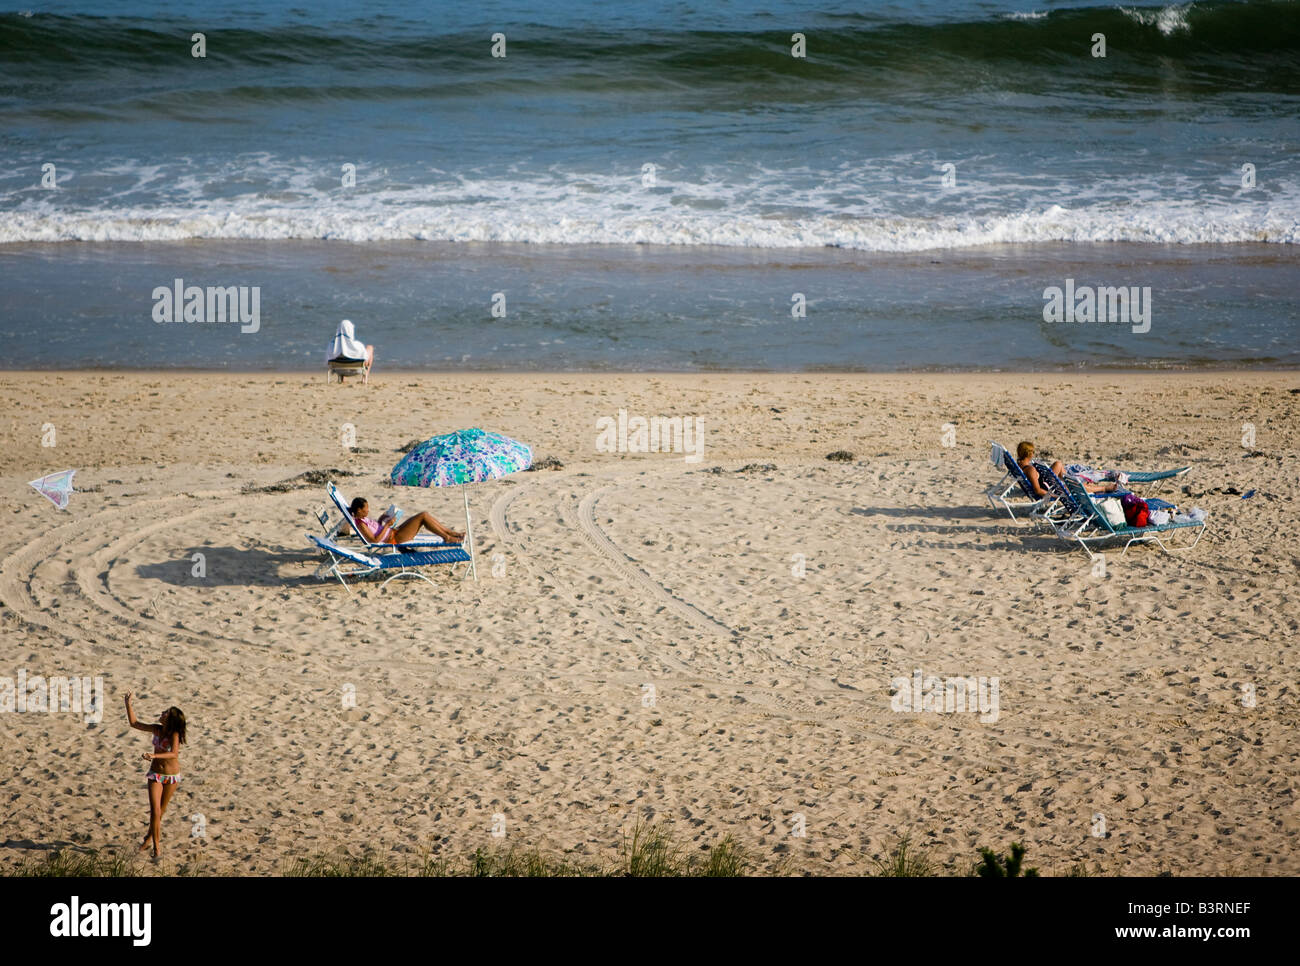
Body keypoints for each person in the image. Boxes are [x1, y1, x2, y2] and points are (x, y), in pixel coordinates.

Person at [124, 691, 186, 858]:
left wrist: (154, 755)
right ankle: (156, 847)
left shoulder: (174, 734)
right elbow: (134, 723)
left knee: (161, 812)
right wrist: (128, 704)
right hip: (155, 774)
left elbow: (174, 754)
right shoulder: (156, 729)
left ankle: (147, 839)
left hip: (171, 776)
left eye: (165, 712)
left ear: (170, 719)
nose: (162, 713)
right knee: (155, 811)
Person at [1016, 441, 1120, 496]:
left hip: (1047, 482)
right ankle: (1104, 488)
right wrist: (1056, 496)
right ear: (1029, 454)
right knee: (1076, 486)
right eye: (1033, 452)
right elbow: (1038, 491)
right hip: (1049, 488)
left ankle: (1070, 479)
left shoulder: (1019, 464)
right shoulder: (1030, 470)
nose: (1034, 454)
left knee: (1058, 464)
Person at [349, 497, 464, 545]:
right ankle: (447, 537)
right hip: (394, 538)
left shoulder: (362, 518)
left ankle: (449, 533)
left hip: (393, 532)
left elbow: (375, 530)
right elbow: (374, 540)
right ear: (359, 510)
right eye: (366, 509)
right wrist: (387, 525)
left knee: (425, 514)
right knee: (423, 516)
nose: (368, 510)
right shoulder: (361, 525)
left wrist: (382, 519)